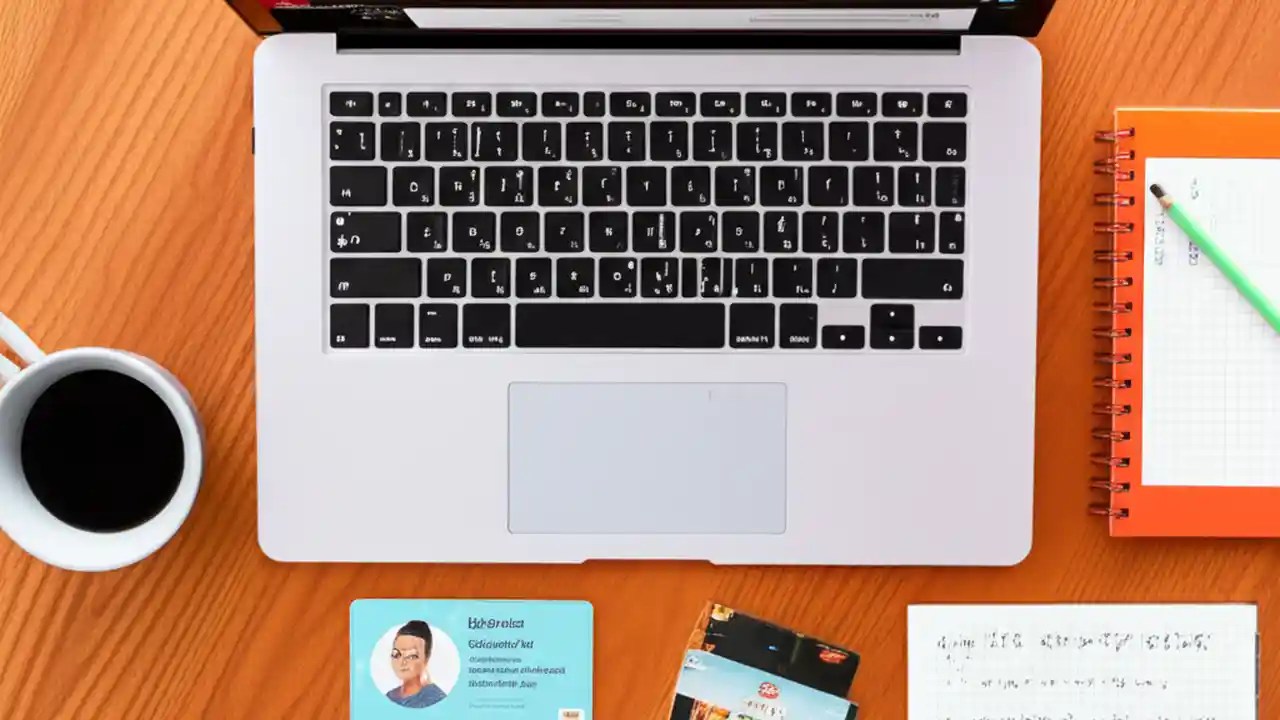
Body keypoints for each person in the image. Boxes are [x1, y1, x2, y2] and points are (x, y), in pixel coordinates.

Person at [386, 621, 448, 709]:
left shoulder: (436, 700)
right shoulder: (390, 696)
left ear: (426, 659)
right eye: (396, 654)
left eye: (411, 656)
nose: (402, 661)